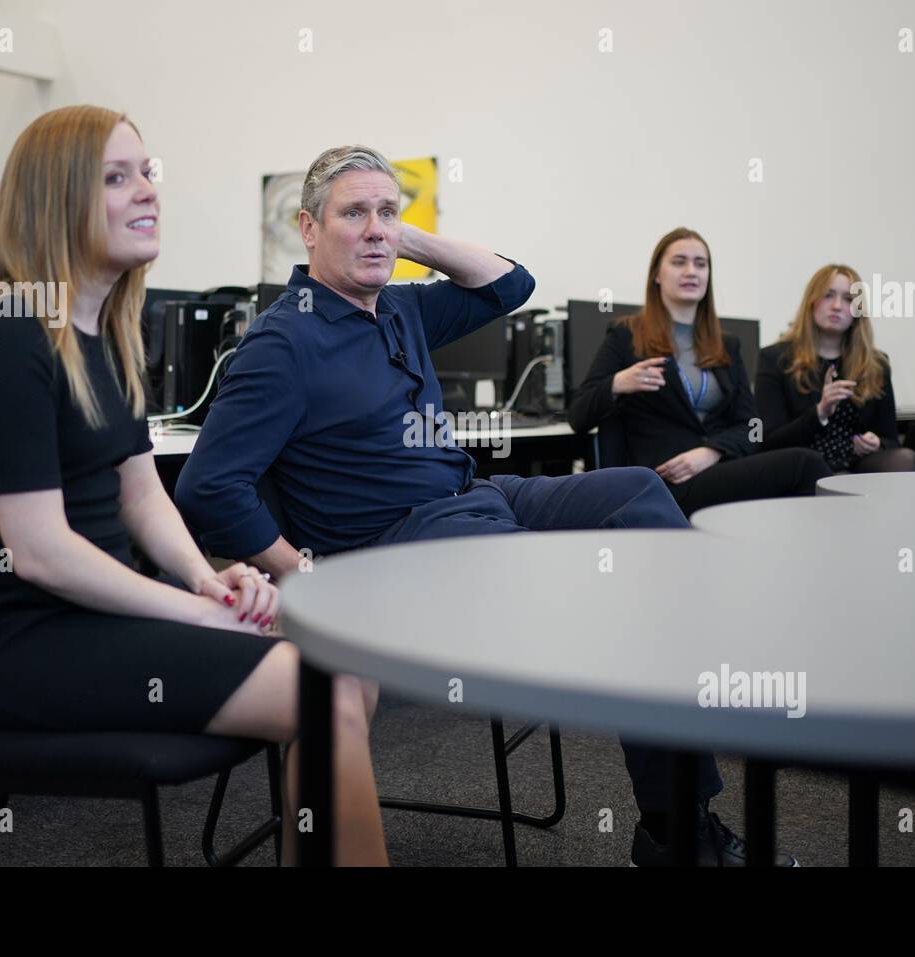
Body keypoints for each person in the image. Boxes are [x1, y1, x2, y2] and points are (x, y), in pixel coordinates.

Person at [176, 147, 795, 865]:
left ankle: (673, 811)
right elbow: (206, 487)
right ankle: (680, 819)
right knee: (630, 595)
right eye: (354, 214)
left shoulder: (401, 307)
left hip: (474, 499)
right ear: (308, 229)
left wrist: (397, 239)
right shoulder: (281, 341)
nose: (376, 228)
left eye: (388, 211)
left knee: (638, 494)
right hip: (398, 545)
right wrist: (306, 577)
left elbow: (513, 283)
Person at [0, 107, 387, 866]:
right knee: (324, 695)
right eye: (115, 177)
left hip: (85, 619)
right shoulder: (6, 332)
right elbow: (38, 554)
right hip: (3, 643)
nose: (148, 192)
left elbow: (140, 495)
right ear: (53, 198)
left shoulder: (104, 332)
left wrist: (210, 579)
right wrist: (198, 614)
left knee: (349, 667)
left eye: (146, 172)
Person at [568, 227, 830, 516]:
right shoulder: (626, 335)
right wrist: (617, 383)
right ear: (657, 274)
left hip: (714, 468)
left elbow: (751, 427)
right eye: (679, 262)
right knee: (806, 465)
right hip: (662, 481)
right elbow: (578, 416)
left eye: (700, 264)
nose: (691, 271)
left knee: (806, 468)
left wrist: (712, 451)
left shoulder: (726, 345)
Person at [755, 263, 915, 473]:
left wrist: (877, 444)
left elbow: (891, 439)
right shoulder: (775, 358)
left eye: (848, 299)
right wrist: (820, 411)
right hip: (801, 463)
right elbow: (767, 441)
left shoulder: (876, 364)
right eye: (828, 295)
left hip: (856, 464)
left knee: (904, 458)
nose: (837, 306)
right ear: (811, 302)